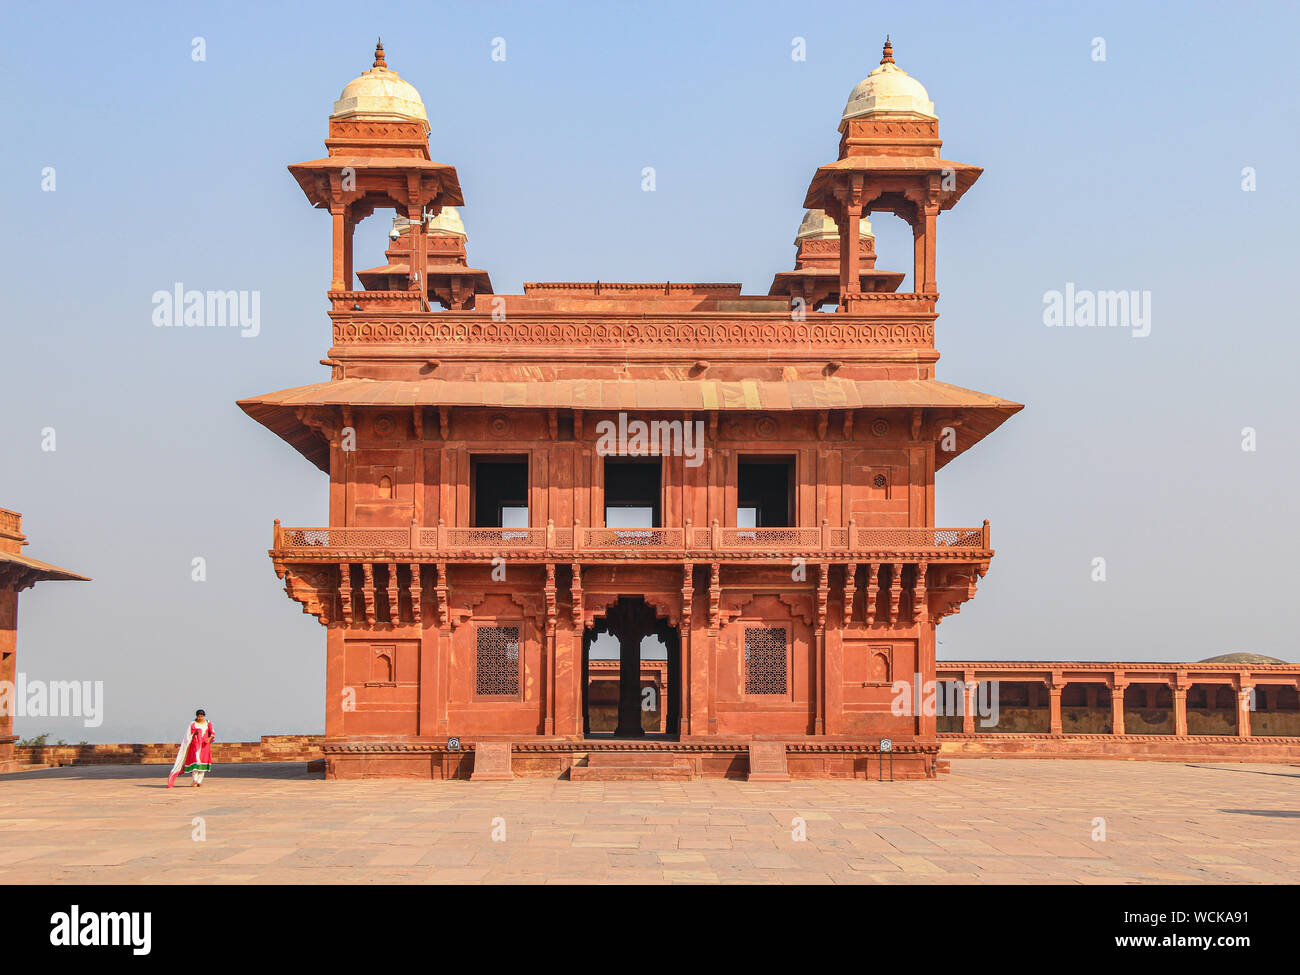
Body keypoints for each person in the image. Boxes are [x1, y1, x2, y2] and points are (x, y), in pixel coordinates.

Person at [167, 710, 215, 788]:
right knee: (195, 764)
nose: (200, 718)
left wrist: (209, 739)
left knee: (202, 764)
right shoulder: (192, 724)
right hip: (195, 746)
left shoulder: (207, 722)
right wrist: (195, 733)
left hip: (204, 746)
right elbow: (188, 735)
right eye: (199, 716)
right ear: (196, 716)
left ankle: (200, 781)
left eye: (202, 716)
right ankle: (195, 780)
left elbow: (212, 733)